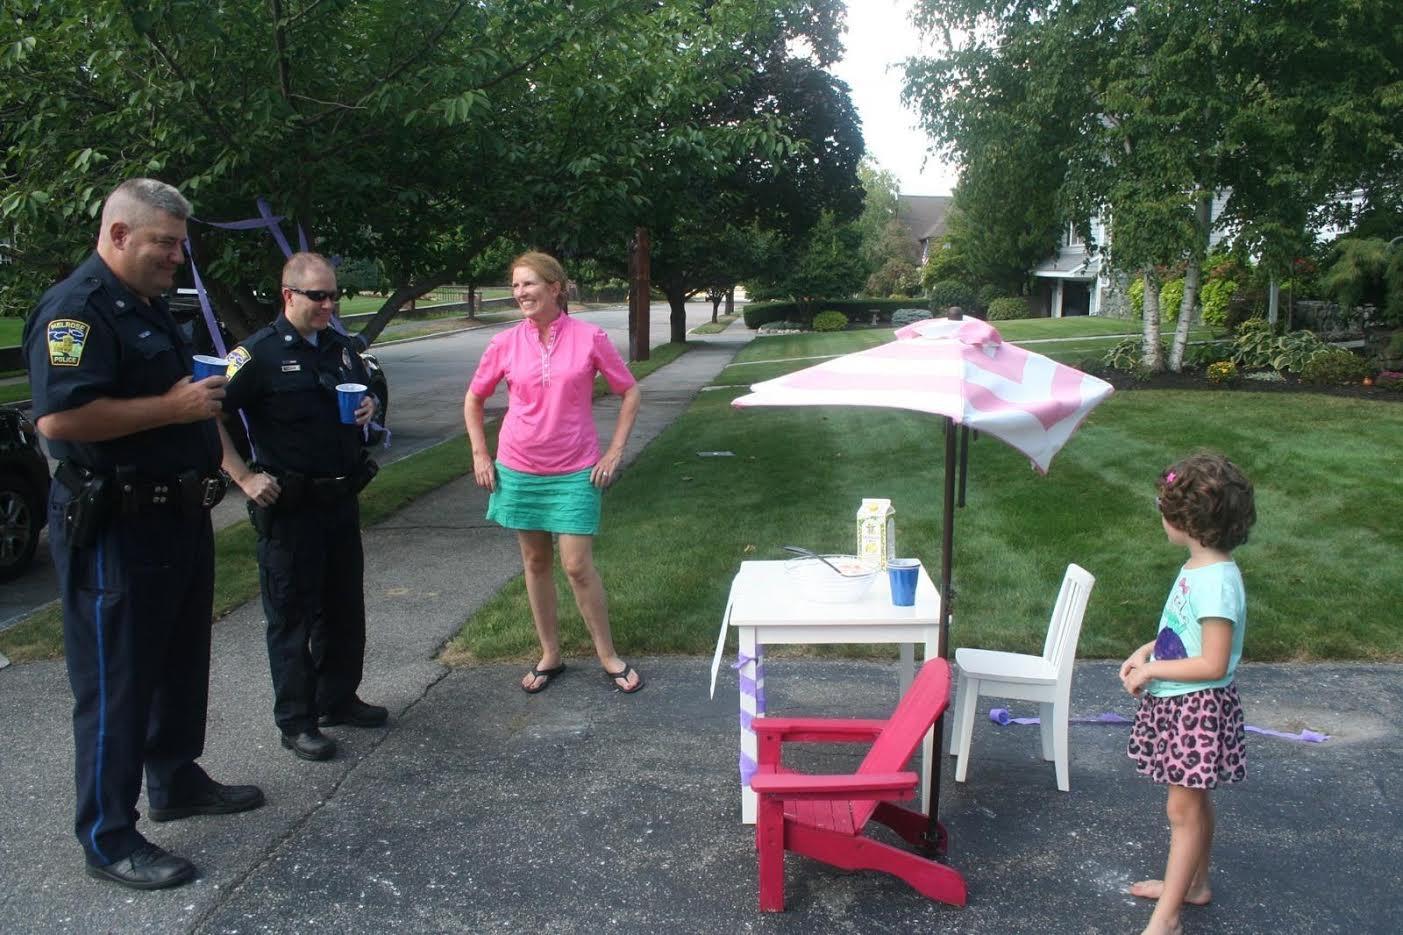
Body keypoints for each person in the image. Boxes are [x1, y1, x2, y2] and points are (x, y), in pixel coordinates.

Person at [22, 178, 265, 891]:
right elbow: (60, 419)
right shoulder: (77, 310)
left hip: (175, 515)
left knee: (179, 662)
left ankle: (175, 778)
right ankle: (108, 836)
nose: (176, 258)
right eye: (165, 243)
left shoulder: (149, 304)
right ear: (119, 233)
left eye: (180, 245)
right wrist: (170, 408)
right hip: (117, 526)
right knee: (117, 682)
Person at [219, 252, 386, 762]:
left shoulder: (340, 347)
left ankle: (338, 698)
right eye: (318, 297)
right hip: (291, 508)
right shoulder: (256, 354)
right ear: (288, 295)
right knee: (291, 616)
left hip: (340, 499)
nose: (329, 305)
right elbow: (205, 412)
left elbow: (367, 393)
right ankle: (296, 722)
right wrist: (243, 477)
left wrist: (370, 406)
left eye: (334, 296)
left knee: (343, 607)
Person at [464, 251, 644, 694]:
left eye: (528, 283)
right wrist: (481, 454)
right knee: (535, 561)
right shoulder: (504, 343)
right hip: (519, 467)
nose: (520, 292)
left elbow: (629, 391)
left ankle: (607, 655)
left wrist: (615, 451)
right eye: (515, 285)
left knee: (577, 565)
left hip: (575, 469)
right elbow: (474, 399)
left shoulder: (590, 337)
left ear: (556, 287)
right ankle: (551, 654)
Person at [1118, 452, 1257, 935]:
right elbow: (1184, 631)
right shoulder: (1199, 567)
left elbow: (1213, 662)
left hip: (1196, 709)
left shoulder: (1216, 582)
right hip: (1181, 702)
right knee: (1192, 804)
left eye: (1164, 506)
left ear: (1187, 520)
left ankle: (1168, 918)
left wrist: (1153, 670)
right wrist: (1147, 650)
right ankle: (1195, 885)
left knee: (1183, 810)